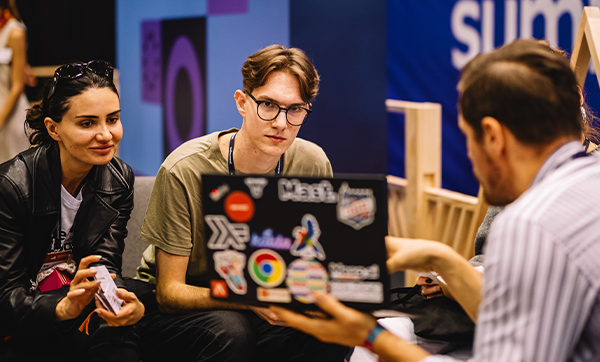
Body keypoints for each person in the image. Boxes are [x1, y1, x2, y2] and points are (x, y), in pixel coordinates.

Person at [272, 38, 600, 361]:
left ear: (493, 136)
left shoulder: (529, 223)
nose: (470, 158)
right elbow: (520, 322)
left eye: (467, 138)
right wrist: (442, 259)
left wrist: (370, 337)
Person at [136, 44, 348, 361]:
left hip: (267, 300)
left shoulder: (312, 163)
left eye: (295, 110)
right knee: (232, 329)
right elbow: (169, 292)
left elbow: (319, 260)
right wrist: (251, 300)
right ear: (242, 103)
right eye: (268, 105)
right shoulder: (185, 169)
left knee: (332, 328)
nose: (281, 123)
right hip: (184, 305)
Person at [0, 61, 145, 361]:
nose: (106, 135)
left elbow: (105, 265)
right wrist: (61, 308)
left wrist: (118, 302)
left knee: (129, 329)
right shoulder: (11, 186)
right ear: (54, 128)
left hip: (80, 307)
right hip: (26, 317)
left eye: (113, 119)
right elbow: (7, 297)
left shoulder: (118, 179)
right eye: (87, 123)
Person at [0, 0, 30, 163]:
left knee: (13, 173)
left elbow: (17, 86)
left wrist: (1, 120)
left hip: (9, 117)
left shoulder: (15, 32)